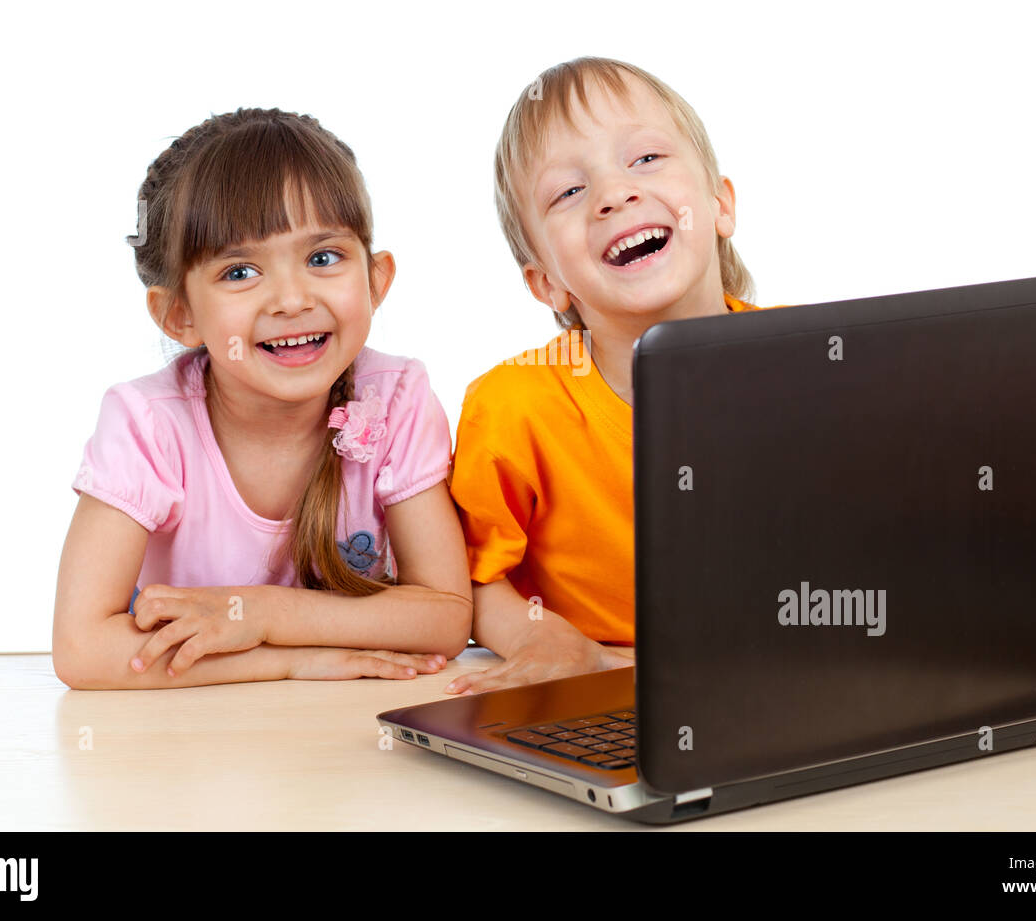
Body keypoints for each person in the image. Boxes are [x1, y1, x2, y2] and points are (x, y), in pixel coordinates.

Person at [53, 108, 472, 689]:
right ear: (180, 315)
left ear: (376, 280)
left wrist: (260, 614)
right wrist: (288, 660)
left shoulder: (397, 398)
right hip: (188, 755)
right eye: (240, 271)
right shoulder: (147, 423)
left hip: (342, 745)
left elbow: (445, 617)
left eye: (323, 258)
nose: (292, 299)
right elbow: (81, 649)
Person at [446, 58, 783, 696]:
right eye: (568, 192)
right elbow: (470, 580)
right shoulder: (514, 406)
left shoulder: (822, 358)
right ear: (545, 281)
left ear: (719, 206)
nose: (614, 193)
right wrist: (537, 636)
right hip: (607, 693)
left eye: (647, 159)